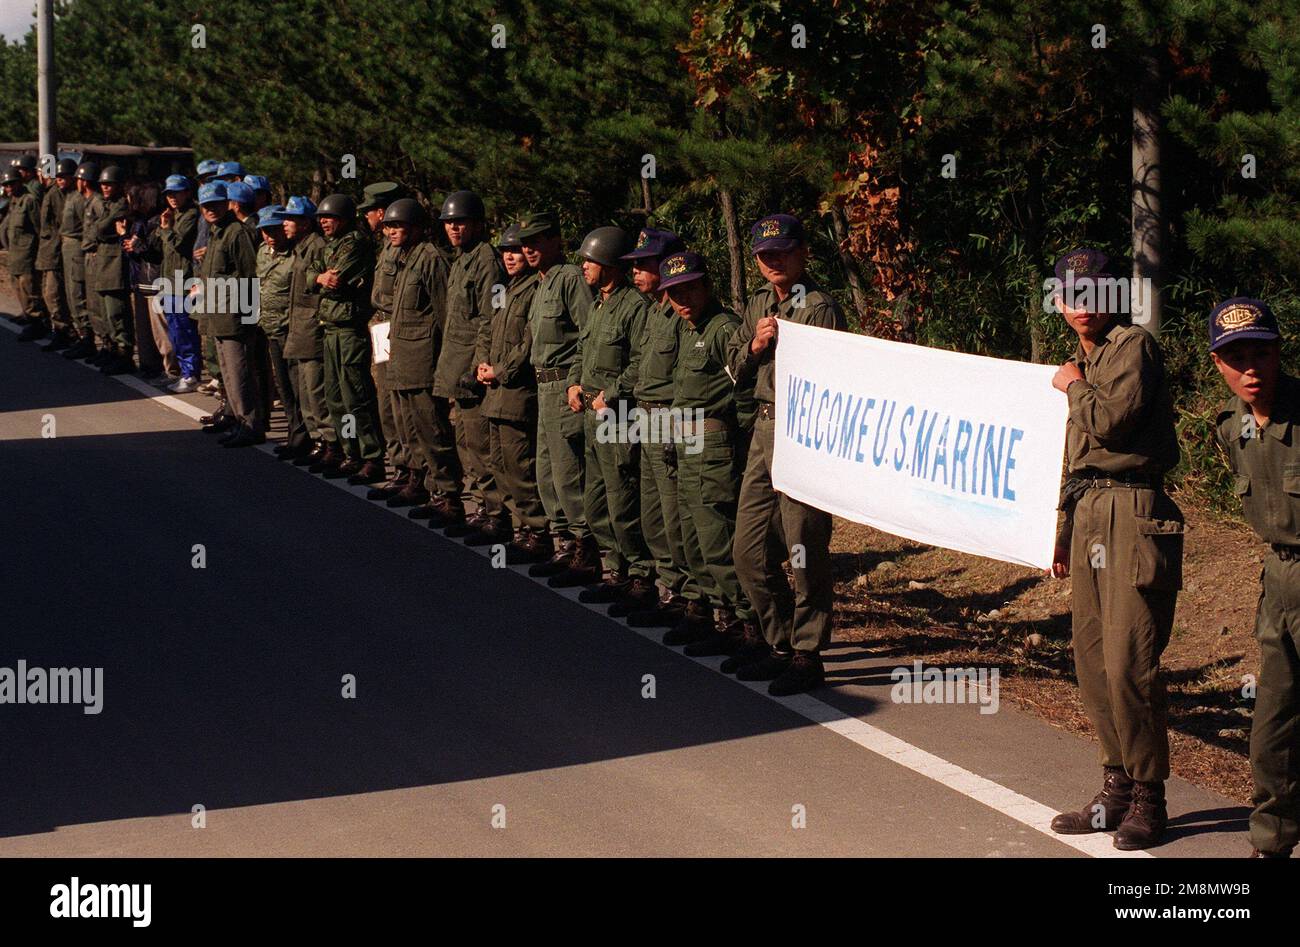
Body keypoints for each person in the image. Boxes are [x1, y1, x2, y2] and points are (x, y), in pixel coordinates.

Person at [1047, 247, 1183, 850]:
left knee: (1132, 663)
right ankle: (1116, 786)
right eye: (1071, 296)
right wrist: (1058, 535)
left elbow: (1109, 423)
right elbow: (1072, 458)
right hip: (1089, 512)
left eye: (1093, 295)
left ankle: (1150, 798)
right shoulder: (1085, 357)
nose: (1081, 308)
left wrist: (1073, 386)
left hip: (1133, 509)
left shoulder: (1132, 347)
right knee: (1093, 660)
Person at [725, 213, 845, 695]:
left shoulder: (818, 306)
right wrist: (756, 345)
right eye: (764, 254)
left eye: (782, 252)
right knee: (748, 550)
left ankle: (807, 652)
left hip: (804, 430)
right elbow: (733, 366)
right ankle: (777, 642)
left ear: (802, 253)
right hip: (764, 426)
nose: (773, 260)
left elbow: (833, 376)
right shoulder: (755, 302)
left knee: (804, 548)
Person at [1208, 298, 1299, 858]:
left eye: (1260, 352)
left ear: (1279, 352)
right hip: (1280, 585)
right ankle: (1273, 841)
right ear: (1217, 364)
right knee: (1274, 730)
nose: (1249, 367)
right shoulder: (1233, 428)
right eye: (1234, 356)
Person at [654, 251, 760, 662]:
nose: (682, 298)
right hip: (684, 444)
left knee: (718, 542)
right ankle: (725, 622)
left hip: (713, 445)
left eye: (689, 288)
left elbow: (746, 391)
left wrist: (744, 446)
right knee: (693, 542)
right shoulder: (687, 328)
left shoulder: (722, 328)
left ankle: (753, 629)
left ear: (706, 286)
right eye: (674, 292)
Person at [556, 225, 654, 598]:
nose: (583, 267)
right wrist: (573, 383)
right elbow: (582, 351)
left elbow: (638, 363)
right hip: (591, 415)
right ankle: (613, 570)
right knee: (596, 499)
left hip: (618, 418)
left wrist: (611, 395)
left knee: (622, 500)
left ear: (610, 265)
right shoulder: (598, 305)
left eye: (590, 261)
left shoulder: (634, 307)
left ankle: (639, 577)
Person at [614, 228, 692, 625]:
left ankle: (687, 596)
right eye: (635, 265)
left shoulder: (682, 314)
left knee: (675, 512)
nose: (637, 272)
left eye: (645, 265)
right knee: (653, 513)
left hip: (668, 421)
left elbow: (685, 379)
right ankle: (666, 588)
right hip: (643, 418)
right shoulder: (650, 311)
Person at [518, 212, 597, 580]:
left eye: (536, 241)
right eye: (524, 243)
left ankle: (586, 547)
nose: (528, 249)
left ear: (555, 241)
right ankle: (563, 540)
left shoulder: (568, 278)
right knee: (547, 470)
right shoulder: (541, 283)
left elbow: (587, 333)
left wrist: (578, 381)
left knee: (569, 471)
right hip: (542, 384)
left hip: (564, 384)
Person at [432, 190, 507, 537]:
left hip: (472, 370)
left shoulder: (486, 260)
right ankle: (480, 504)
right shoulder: (461, 259)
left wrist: (479, 364)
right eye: (449, 223)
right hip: (456, 367)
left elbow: (489, 319)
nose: (454, 228)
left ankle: (497, 514)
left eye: (460, 222)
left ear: (478, 223)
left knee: (481, 443)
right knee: (465, 441)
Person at [473, 223, 549, 559]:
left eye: (515, 251)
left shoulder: (535, 289)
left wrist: (501, 371)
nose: (509, 257)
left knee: (521, 465)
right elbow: (486, 331)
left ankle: (537, 531)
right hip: (494, 392)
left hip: (517, 392)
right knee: (501, 464)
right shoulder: (504, 290)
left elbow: (529, 343)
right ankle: (517, 528)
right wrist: (482, 364)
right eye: (505, 251)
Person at [381, 197, 454, 515]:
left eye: (398, 225)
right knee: (408, 427)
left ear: (415, 227)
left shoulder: (430, 258)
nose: (391, 231)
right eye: (388, 226)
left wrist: (445, 364)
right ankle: (421, 481)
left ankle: (447, 495)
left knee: (431, 429)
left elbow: (444, 313)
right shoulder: (404, 257)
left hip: (423, 361)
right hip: (402, 360)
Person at [308, 193, 385, 482]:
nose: (324, 222)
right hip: (330, 327)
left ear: (344, 218)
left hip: (350, 328)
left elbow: (338, 283)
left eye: (329, 217)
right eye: (321, 218)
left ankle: (371, 455)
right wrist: (318, 278)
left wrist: (323, 280)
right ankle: (349, 450)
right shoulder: (329, 246)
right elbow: (310, 276)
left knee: (356, 395)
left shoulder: (356, 243)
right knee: (335, 395)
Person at [356, 182, 416, 501]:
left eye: (369, 211)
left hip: (394, 328)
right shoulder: (385, 246)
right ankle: (400, 466)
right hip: (381, 326)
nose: (366, 217)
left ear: (381, 211)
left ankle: (410, 469)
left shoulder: (404, 248)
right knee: (385, 400)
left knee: (397, 401)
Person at [194, 180, 263, 446]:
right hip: (217, 315)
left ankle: (250, 425)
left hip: (234, 315)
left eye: (215, 204)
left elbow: (249, 274)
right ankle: (235, 418)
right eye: (206, 206)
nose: (211, 209)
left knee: (239, 372)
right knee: (227, 372)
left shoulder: (236, 232)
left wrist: (247, 316)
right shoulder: (216, 232)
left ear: (227, 204)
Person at [280, 196, 335, 465]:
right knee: (304, 390)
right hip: (299, 328)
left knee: (316, 391)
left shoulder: (317, 246)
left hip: (312, 328)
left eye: (291, 218)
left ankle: (328, 443)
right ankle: (315, 440)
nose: (285, 223)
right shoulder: (301, 247)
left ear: (305, 223)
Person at [141, 174, 201, 392]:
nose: (173, 197)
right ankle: (182, 372)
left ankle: (191, 374)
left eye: (177, 192)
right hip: (169, 280)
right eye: (169, 194)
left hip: (182, 281)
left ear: (187, 193)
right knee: (174, 330)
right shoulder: (173, 215)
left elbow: (178, 243)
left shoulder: (191, 215)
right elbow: (160, 245)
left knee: (184, 330)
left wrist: (166, 228)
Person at [255, 204, 305, 454]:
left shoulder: (295, 256)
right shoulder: (263, 252)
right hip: (270, 328)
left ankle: (302, 436)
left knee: (297, 386)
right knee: (283, 386)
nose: (269, 235)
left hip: (290, 328)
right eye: (264, 231)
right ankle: (293, 430)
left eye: (274, 229)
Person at [88, 166, 135, 375]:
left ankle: (125, 355)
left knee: (117, 312)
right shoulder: (106, 205)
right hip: (104, 264)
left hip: (115, 265)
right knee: (107, 313)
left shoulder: (122, 205)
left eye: (109, 184)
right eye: (103, 184)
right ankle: (115, 352)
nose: (105, 188)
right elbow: (94, 230)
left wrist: (100, 228)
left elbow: (99, 229)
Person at [34, 158, 76, 351]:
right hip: (50, 251)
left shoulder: (62, 195)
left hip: (58, 250)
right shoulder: (52, 193)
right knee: (50, 293)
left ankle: (63, 331)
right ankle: (60, 330)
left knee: (54, 294)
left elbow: (61, 225)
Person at [57, 161, 96, 360]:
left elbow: (87, 227)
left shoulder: (82, 200)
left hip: (77, 250)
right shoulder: (71, 197)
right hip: (68, 248)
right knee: (71, 295)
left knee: (78, 295)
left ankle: (87, 338)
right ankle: (82, 337)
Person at [2, 167, 46, 339]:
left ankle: (37, 324)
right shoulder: (13, 202)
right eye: (6, 185)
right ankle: (29, 318)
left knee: (30, 292)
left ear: (20, 182)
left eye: (12, 184)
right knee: (19, 290)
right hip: (15, 257)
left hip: (28, 256)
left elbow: (38, 229)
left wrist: (39, 255)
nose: (9, 188)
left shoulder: (29, 201)